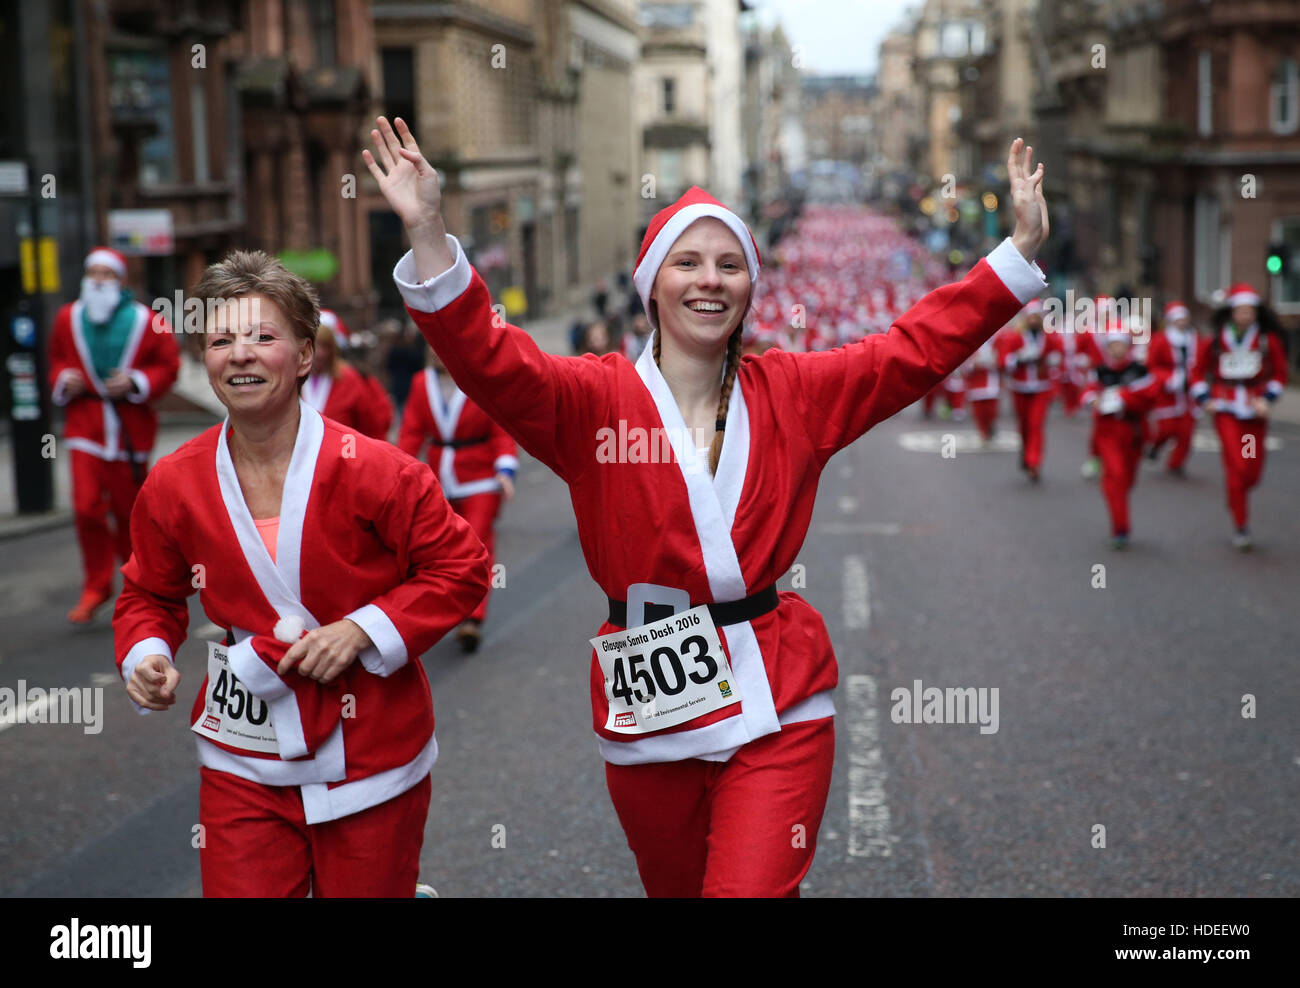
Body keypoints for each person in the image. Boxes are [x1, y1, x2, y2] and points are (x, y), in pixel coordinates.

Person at [364, 116, 1049, 897]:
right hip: (648, 707)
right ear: (652, 282)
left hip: (778, 696)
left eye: (729, 265)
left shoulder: (794, 390)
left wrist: (1014, 256)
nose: (709, 279)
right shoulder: (592, 400)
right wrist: (426, 232)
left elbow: (910, 350)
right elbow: (488, 357)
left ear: (751, 287)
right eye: (686, 262)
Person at [112, 249, 490, 897]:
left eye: (264, 336)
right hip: (244, 751)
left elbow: (462, 568)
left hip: (371, 750)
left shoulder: (378, 470)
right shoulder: (175, 481)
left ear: (306, 354)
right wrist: (146, 652)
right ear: (206, 357)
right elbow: (149, 591)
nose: (241, 354)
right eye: (223, 339)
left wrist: (364, 630)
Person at [49, 247, 179, 623]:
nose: (99, 280)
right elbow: (57, 359)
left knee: (130, 513)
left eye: (107, 273)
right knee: (86, 506)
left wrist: (137, 381)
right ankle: (96, 584)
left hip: (128, 429)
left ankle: (139, 582)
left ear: (121, 281)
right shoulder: (66, 317)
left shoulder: (147, 320)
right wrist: (62, 379)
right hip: (84, 423)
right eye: (93, 273)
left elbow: (167, 366)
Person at [398, 348, 518, 652]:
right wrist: (397, 471)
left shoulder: (478, 379)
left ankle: (473, 618)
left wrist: (505, 467)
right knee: (445, 548)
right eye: (435, 347)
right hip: (440, 479)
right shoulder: (420, 383)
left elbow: (501, 427)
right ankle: (457, 608)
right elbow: (412, 431)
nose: (441, 353)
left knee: (477, 544)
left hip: (481, 478)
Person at [1188, 283, 1288, 549]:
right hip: (1226, 409)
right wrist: (1204, 398)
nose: (1245, 316)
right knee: (1237, 465)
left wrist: (1268, 400)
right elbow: (1196, 372)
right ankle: (1241, 526)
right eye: (1240, 311)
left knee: (1251, 469)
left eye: (1250, 311)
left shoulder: (1268, 340)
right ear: (1232, 312)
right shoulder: (1215, 339)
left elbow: (1279, 375)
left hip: (1254, 411)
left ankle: (1235, 495)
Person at [1079, 323, 1163, 549]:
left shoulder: (1139, 370)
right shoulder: (1100, 370)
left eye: (1121, 344)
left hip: (1134, 430)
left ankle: (1119, 512)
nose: (1117, 349)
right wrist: (1092, 400)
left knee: (1127, 478)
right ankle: (1121, 527)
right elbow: (1087, 393)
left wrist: (1123, 397)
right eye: (1113, 345)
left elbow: (1151, 397)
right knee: (1115, 475)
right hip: (1108, 430)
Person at [996, 298, 1060, 482]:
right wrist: (1019, 358)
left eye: (1036, 317)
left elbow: (1057, 355)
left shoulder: (1048, 337)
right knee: (1024, 426)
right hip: (1020, 387)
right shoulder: (1014, 337)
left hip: (1041, 388)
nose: (1033, 320)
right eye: (1030, 317)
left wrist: (1051, 359)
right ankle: (1026, 451)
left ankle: (1034, 462)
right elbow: (1003, 362)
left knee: (1036, 424)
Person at [302, 318, 392, 439]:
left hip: (342, 451)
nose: (320, 353)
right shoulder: (292, 376)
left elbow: (371, 423)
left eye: (325, 346)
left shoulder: (349, 378)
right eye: (316, 345)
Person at [1144, 300, 1203, 476]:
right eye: (1178, 319)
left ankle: (1176, 464)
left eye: (1184, 318)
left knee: (1186, 432)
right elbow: (1151, 366)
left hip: (1189, 393)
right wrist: (1168, 379)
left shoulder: (1195, 339)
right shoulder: (1161, 340)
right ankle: (1155, 447)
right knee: (1166, 429)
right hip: (1167, 393)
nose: (1182, 322)